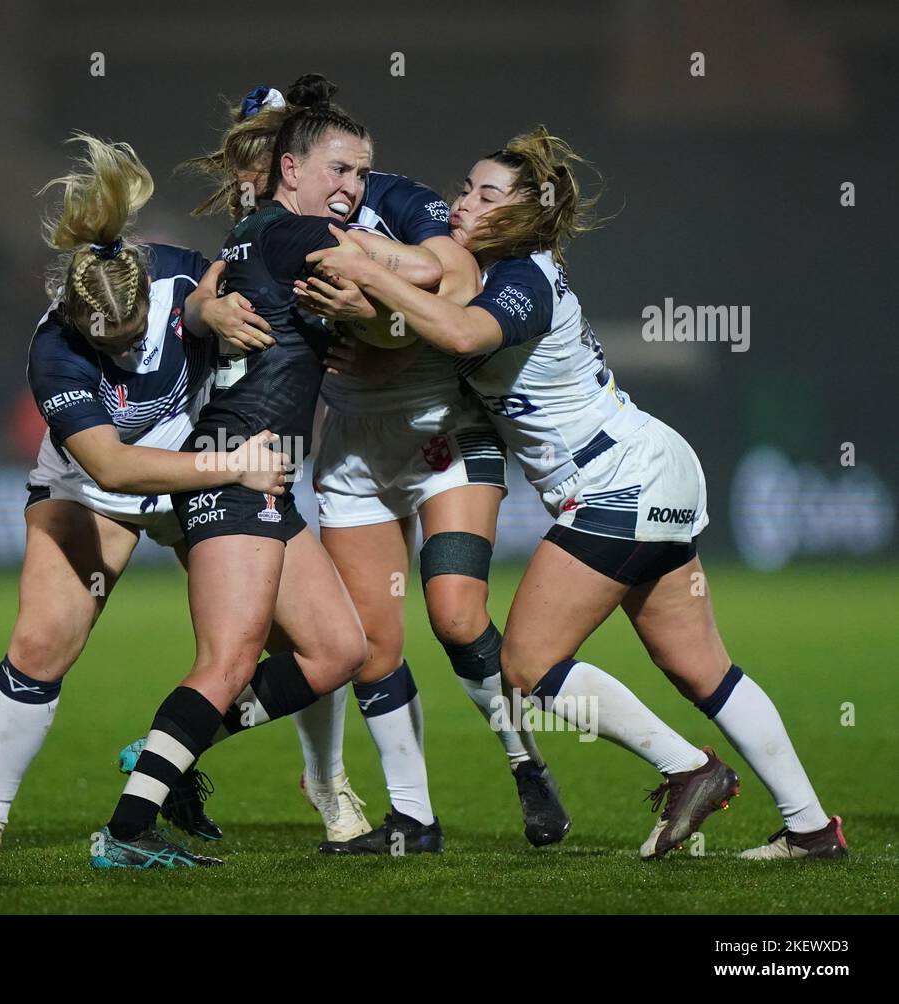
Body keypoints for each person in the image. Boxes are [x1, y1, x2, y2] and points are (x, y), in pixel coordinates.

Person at [306, 125, 845, 860]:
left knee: (527, 666)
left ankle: (690, 768)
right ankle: (812, 829)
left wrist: (366, 278)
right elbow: (420, 311)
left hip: (615, 482)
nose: (462, 202)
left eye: (485, 194)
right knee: (701, 670)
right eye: (465, 187)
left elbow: (462, 337)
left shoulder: (523, 279)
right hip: (642, 471)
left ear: (525, 215)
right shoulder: (485, 269)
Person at [187, 77, 569, 854]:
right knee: (373, 645)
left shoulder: (387, 195)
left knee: (459, 618)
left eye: (271, 144)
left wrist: (366, 279)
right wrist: (206, 310)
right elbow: (200, 301)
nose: (258, 164)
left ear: (294, 152)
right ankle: (412, 818)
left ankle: (523, 758)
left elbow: (453, 273)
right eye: (249, 149)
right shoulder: (262, 225)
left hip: (444, 430)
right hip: (356, 442)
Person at [0, 135, 288, 861]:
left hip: (198, 472)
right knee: (40, 645)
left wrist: (217, 313)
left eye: (136, 338)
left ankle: (318, 784)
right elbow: (115, 468)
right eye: (112, 347)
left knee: (308, 642)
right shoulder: (54, 354)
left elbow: (228, 298)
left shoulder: (177, 277)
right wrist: (234, 467)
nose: (128, 355)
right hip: (102, 491)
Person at [91, 85, 373, 869]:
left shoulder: (248, 236)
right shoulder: (299, 234)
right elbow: (379, 273)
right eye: (341, 168)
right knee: (228, 662)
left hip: (262, 474)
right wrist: (440, 283)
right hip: (237, 469)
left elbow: (234, 307)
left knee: (337, 650)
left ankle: (167, 755)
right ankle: (126, 833)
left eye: (362, 173)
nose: (353, 187)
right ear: (292, 168)